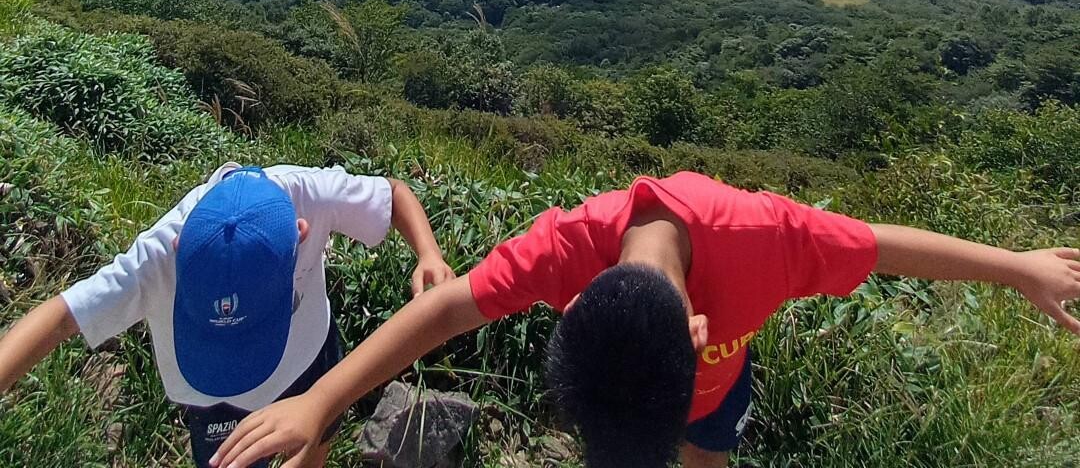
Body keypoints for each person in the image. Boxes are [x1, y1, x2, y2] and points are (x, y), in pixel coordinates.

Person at [209, 170, 1080, 468]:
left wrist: (1018, 270)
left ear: (699, 330)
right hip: (654, 391)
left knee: (708, 446)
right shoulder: (564, 246)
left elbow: (880, 244)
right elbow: (442, 308)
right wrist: (320, 403)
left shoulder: (764, 235)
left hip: (704, 392)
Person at [0, 161, 454, 468]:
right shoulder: (157, 254)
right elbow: (62, 316)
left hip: (307, 359)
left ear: (301, 235)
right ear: (179, 251)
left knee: (318, 436)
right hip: (214, 393)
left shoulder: (307, 195)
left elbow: (393, 195)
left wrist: (429, 255)